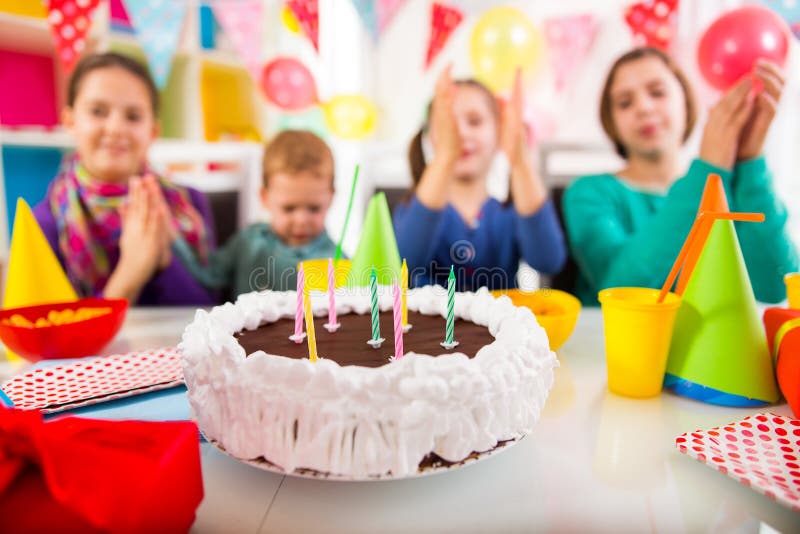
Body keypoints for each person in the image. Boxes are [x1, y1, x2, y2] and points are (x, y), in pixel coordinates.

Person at [563, 47, 798, 305]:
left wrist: (750, 162)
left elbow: (776, 288)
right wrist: (709, 168)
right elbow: (622, 291)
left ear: (685, 102)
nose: (643, 107)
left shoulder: (732, 186)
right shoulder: (588, 193)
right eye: (624, 102)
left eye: (657, 92)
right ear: (612, 122)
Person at [32, 52, 216, 305]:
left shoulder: (191, 203)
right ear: (70, 121)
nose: (116, 128)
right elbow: (54, 334)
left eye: (133, 116)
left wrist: (165, 259)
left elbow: (210, 310)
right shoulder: (45, 223)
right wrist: (129, 274)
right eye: (98, 111)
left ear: (153, 131)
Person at [393, 67, 566, 291]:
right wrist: (445, 157)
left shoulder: (509, 214)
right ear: (430, 136)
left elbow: (548, 261)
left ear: (499, 133)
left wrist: (520, 159)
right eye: (449, 125)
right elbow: (405, 262)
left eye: (474, 121)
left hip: (499, 326)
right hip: (434, 326)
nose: (462, 133)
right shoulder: (412, 209)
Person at [171, 130, 337, 297]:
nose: (301, 220)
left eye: (314, 208)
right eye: (289, 208)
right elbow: (211, 274)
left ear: (330, 198)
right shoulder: (248, 242)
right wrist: (185, 238)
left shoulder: (338, 263)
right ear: (264, 198)